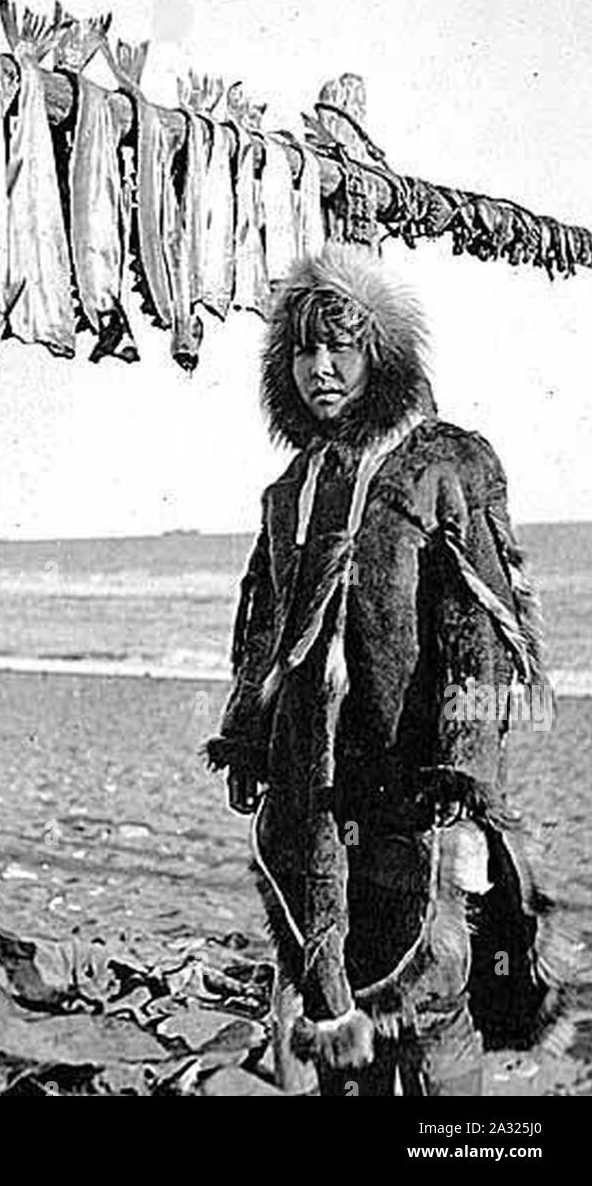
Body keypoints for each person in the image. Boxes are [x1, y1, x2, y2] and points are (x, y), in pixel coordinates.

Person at [206, 243, 565, 1096]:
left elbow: (481, 621)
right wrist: (247, 739)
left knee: (433, 998)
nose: (319, 368)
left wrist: (463, 765)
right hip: (311, 785)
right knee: (333, 1000)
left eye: (342, 347)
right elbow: (263, 627)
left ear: (383, 356)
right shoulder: (291, 487)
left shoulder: (443, 463)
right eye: (301, 350)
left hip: (411, 778)